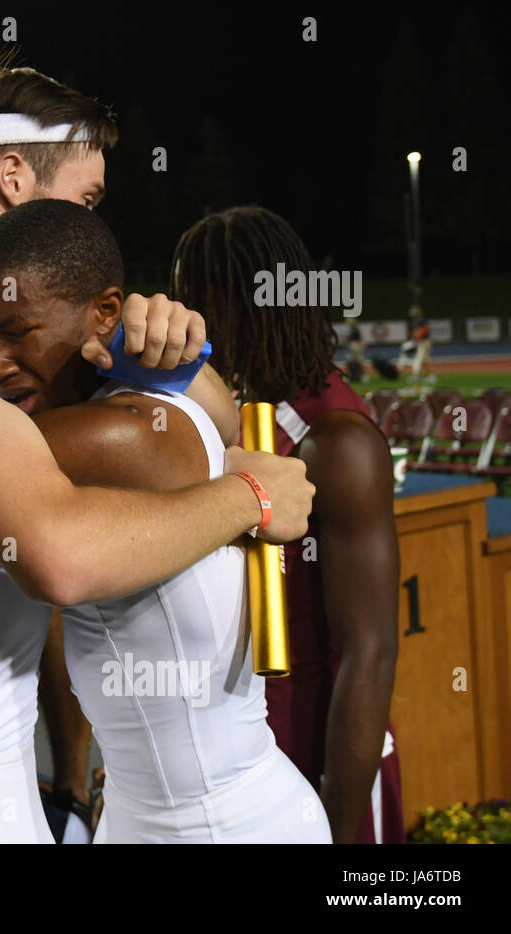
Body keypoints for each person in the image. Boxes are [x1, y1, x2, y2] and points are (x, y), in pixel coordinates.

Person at [0, 63, 313, 843]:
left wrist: (173, 356)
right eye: (86, 198)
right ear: (11, 177)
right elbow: (56, 551)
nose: (88, 224)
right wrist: (251, 496)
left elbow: (215, 432)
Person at [172, 206, 402, 844]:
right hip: (243, 764)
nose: (191, 319)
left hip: (326, 769)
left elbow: (371, 651)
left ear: (253, 305)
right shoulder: (227, 419)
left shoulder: (335, 440)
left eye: (203, 300)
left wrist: (332, 827)